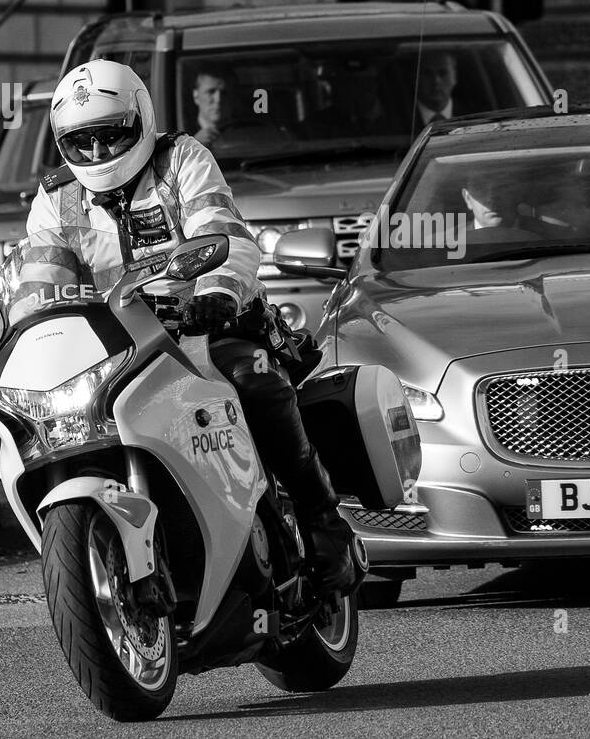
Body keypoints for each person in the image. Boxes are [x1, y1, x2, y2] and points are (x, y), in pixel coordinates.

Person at [23, 59, 356, 593]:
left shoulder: (179, 160)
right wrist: (22, 334)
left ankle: (321, 518)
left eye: (109, 137)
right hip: (117, 342)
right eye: (80, 142)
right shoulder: (56, 196)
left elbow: (224, 231)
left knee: (250, 377)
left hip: (207, 324)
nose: (96, 154)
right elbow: (38, 283)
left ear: (140, 121)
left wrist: (216, 292)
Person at [190, 65, 234, 148]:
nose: (218, 99)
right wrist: (194, 146)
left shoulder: (248, 134)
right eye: (211, 92)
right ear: (196, 96)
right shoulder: (178, 134)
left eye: (224, 93)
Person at [415, 50, 458, 128]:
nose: (436, 81)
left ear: (454, 77)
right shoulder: (393, 120)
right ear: (416, 77)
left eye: (443, 73)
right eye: (428, 73)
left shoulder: (476, 116)